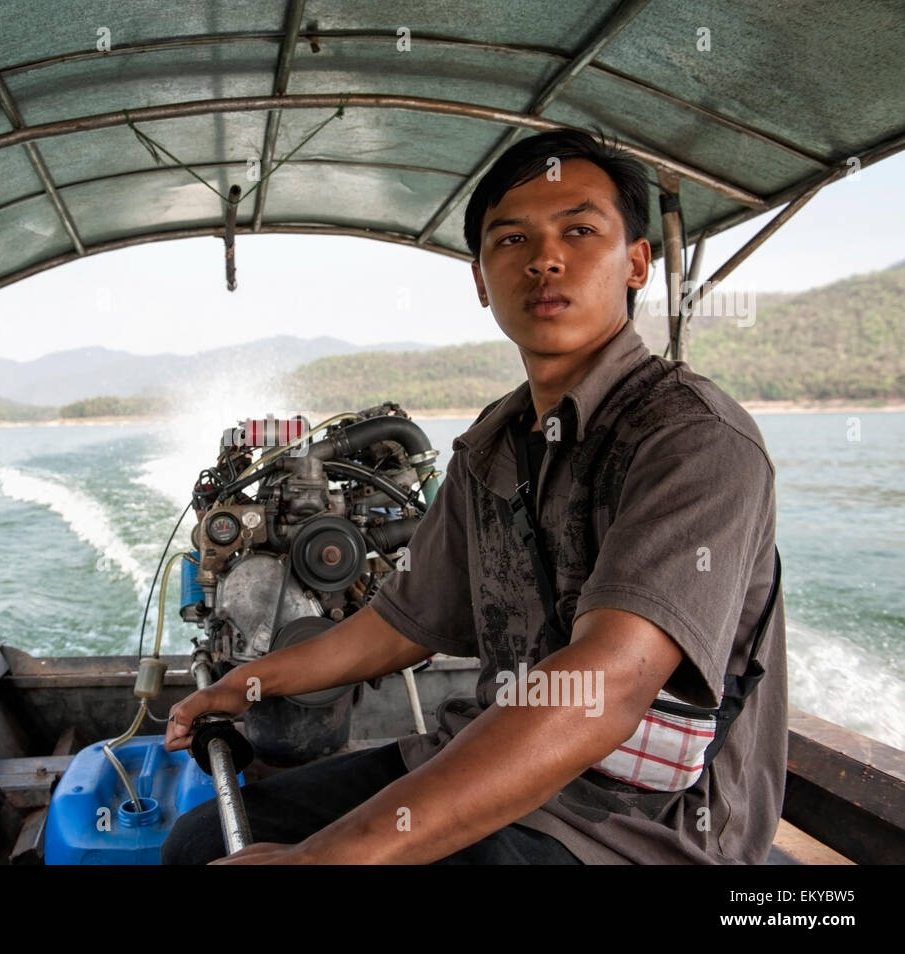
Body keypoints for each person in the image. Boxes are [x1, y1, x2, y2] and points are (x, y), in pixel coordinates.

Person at [161, 129, 787, 865]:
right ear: (482, 280)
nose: (545, 259)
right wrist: (250, 682)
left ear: (637, 263)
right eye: (512, 239)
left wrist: (325, 859)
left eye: (580, 231)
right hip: (485, 748)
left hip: (639, 825)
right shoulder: (493, 444)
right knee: (201, 842)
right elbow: (401, 623)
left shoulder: (694, 441)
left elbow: (608, 684)